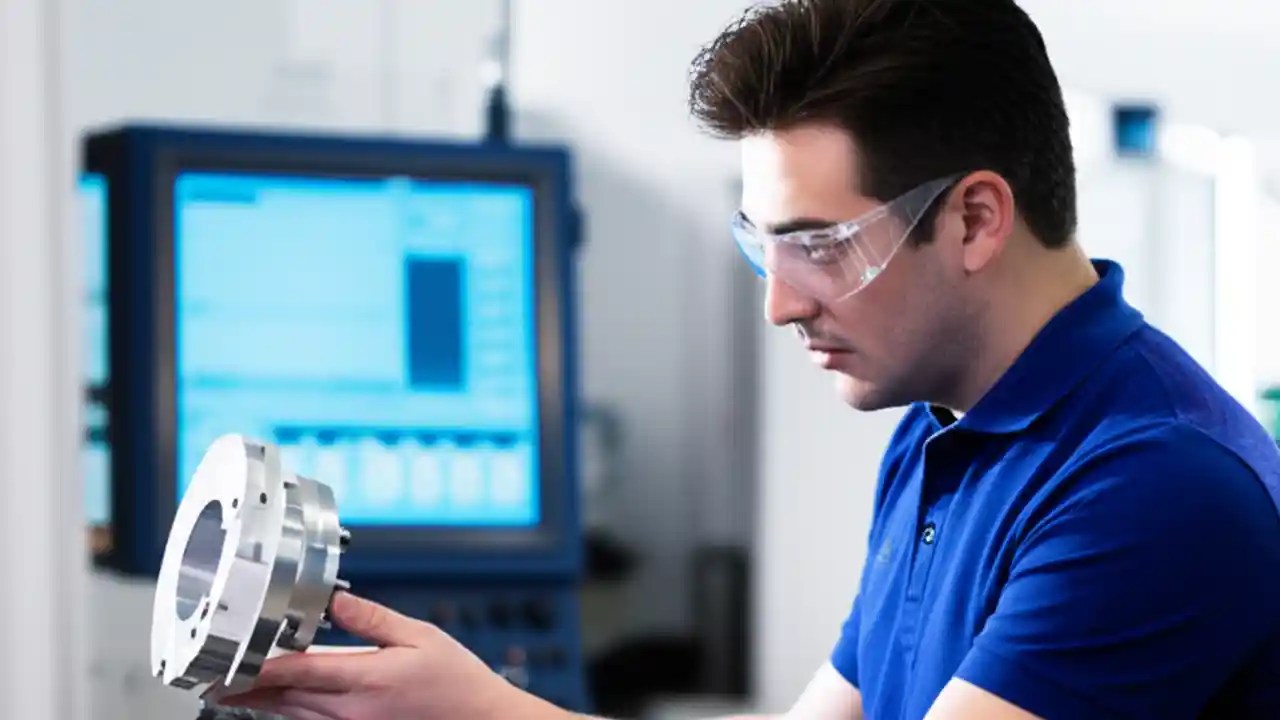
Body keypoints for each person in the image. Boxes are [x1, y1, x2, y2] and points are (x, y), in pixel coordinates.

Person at [222, 0, 1280, 718]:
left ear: (972, 220)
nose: (778, 303)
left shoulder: (1154, 483)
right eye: (760, 246)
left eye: (817, 246)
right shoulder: (943, 423)